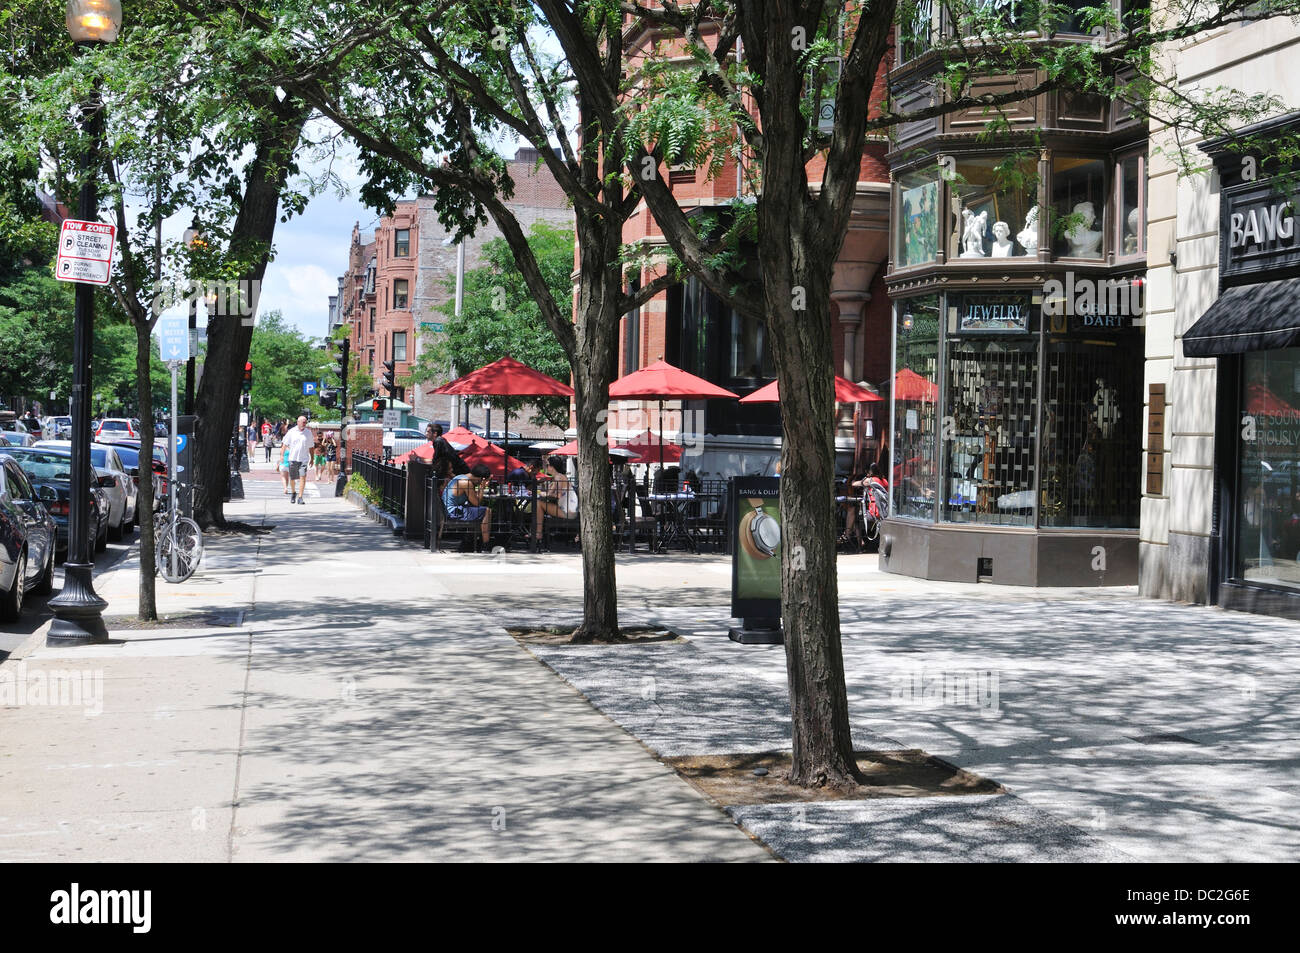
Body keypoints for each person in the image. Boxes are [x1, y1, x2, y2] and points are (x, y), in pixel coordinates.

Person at [443, 463, 493, 547]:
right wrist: (482, 488)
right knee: (486, 511)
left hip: (451, 510)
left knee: (480, 511)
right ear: (481, 479)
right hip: (453, 513)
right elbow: (476, 503)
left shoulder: (461, 477)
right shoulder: (466, 483)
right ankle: (485, 545)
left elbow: (472, 501)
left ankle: (470, 541)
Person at [283, 415, 314, 504]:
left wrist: (312, 458)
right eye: (303, 422)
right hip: (293, 458)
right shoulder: (291, 432)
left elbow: (311, 447)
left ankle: (300, 497)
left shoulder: (308, 433)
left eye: (305, 422)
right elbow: (285, 444)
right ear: (298, 422)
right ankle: (293, 492)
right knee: (292, 478)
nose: (304, 424)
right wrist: (281, 456)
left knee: (302, 477)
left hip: (304, 459)